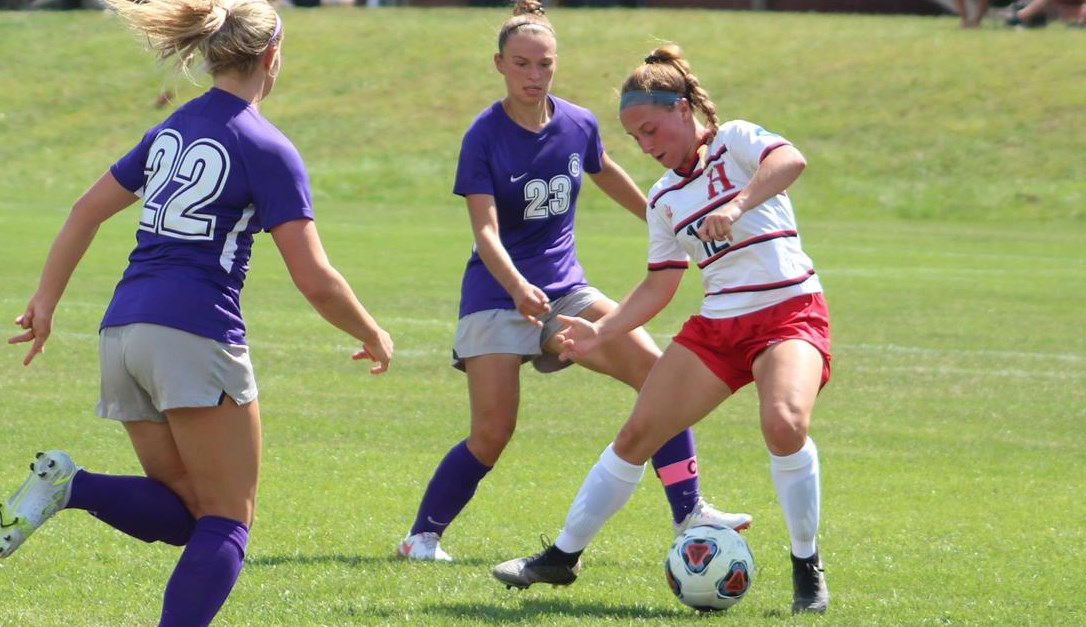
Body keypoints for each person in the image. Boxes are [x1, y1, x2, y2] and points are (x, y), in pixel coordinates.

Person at [2, 1, 394, 625]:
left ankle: (69, 486)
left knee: (188, 509)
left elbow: (84, 209)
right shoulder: (266, 145)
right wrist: (370, 329)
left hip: (122, 333)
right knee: (228, 521)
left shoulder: (175, 126)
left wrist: (46, 301)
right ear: (272, 56)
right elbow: (315, 278)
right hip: (193, 332)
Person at [395, 1, 750, 563]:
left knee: (658, 379)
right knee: (492, 433)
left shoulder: (578, 123)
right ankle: (422, 537)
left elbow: (609, 174)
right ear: (500, 65)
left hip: (567, 292)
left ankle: (689, 511)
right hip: (495, 295)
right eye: (522, 64)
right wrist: (514, 285)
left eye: (545, 65)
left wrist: (666, 225)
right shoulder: (484, 136)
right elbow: (485, 232)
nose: (534, 76)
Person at [492, 43, 833, 615]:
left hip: (789, 312)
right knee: (636, 435)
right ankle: (561, 557)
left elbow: (791, 162)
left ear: (682, 108)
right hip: (719, 326)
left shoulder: (737, 139)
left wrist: (740, 203)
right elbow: (659, 283)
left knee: (784, 423)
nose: (647, 147)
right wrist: (600, 333)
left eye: (652, 130)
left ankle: (807, 567)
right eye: (636, 140)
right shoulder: (663, 198)